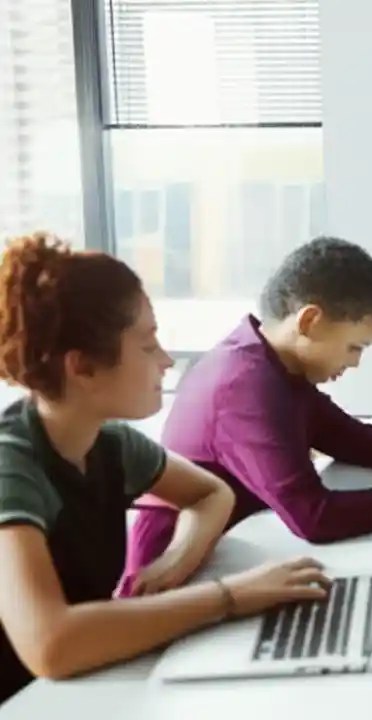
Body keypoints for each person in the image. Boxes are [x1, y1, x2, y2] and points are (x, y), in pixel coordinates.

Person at [0, 234, 327, 703]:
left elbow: (211, 495)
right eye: (148, 344)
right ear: (83, 368)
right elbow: (52, 644)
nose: (167, 361)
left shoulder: (108, 443)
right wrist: (228, 597)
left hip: (71, 693)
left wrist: (174, 562)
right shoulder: (11, 465)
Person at [124, 237, 372, 595]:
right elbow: (314, 518)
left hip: (232, 546)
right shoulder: (246, 387)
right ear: (310, 321)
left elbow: (348, 436)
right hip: (177, 575)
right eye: (355, 347)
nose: (355, 364)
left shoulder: (271, 361)